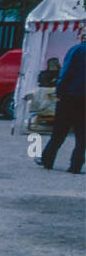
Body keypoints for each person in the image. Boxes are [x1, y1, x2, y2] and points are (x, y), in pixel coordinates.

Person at [40, 28, 85, 174]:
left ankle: (47, 160)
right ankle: (75, 166)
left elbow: (65, 73)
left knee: (59, 132)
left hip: (69, 97)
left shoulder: (76, 50)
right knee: (82, 135)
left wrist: (59, 92)